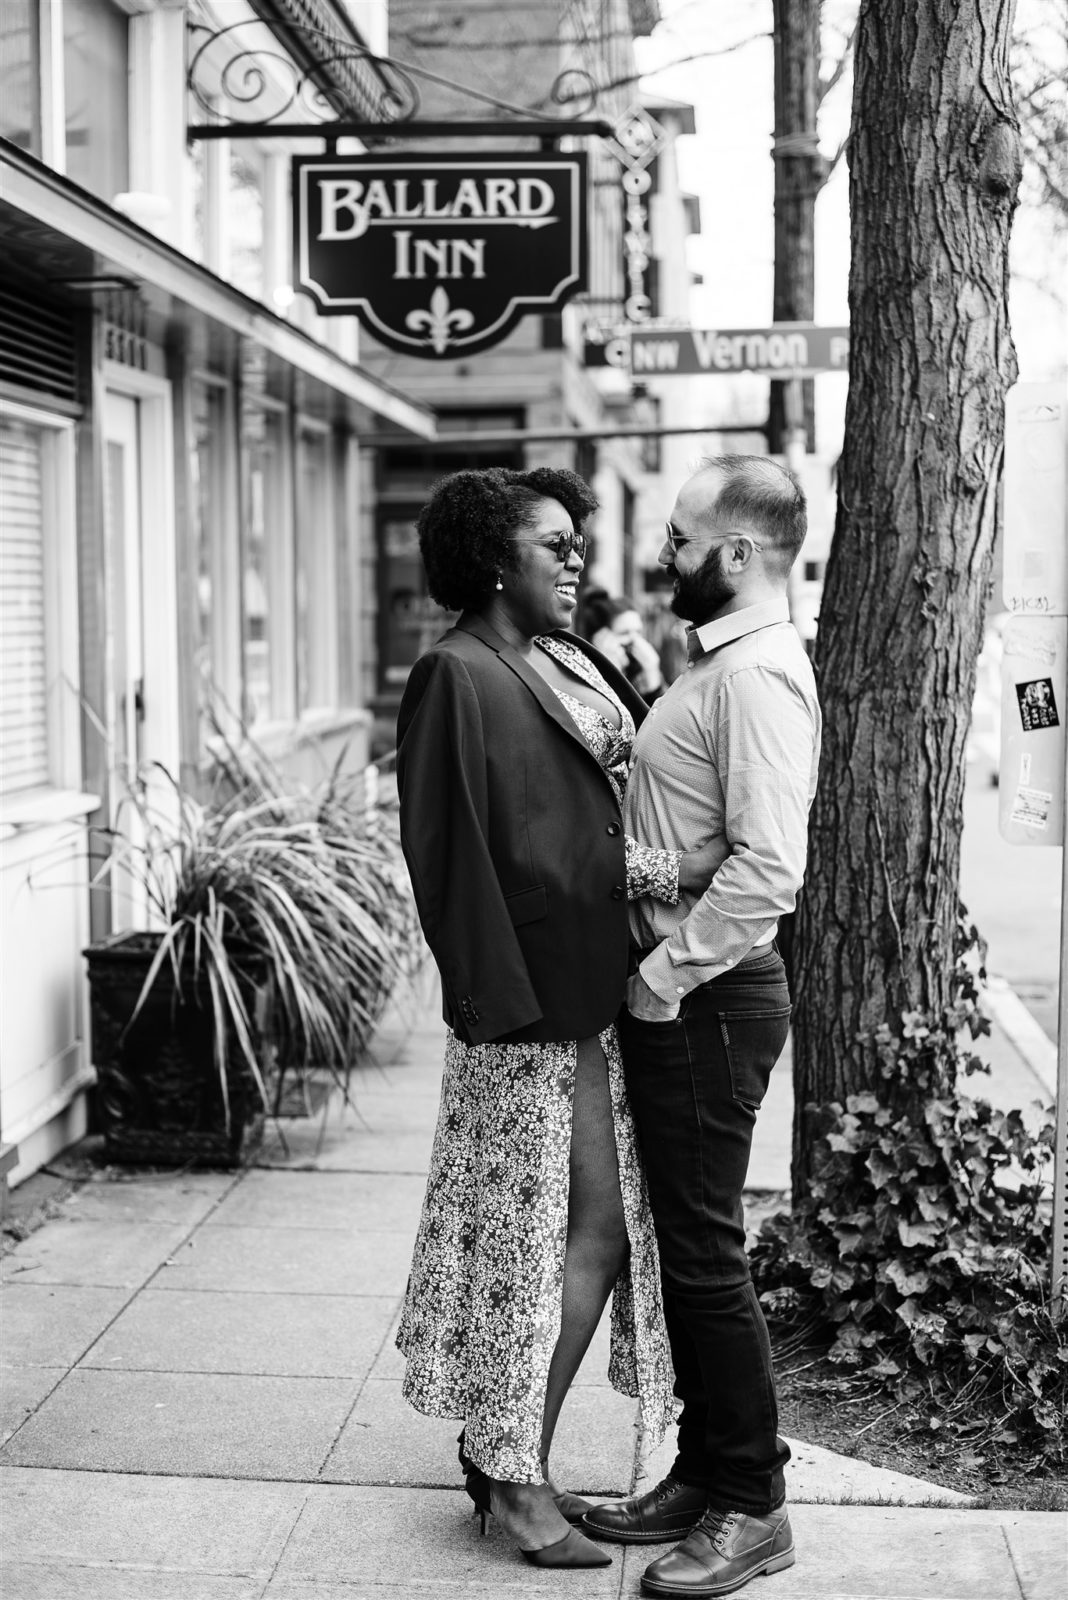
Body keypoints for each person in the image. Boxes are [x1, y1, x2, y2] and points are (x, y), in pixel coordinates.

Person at [394, 466, 719, 1572]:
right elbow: (449, 854)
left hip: (594, 988)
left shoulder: (568, 657)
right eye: (553, 543)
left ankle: (504, 1457)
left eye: (577, 541)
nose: (576, 558)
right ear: (494, 560)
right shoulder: (454, 672)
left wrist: (669, 867)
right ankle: (516, 1478)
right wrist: (496, 1007)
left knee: (567, 1237)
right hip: (529, 1005)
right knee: (567, 1236)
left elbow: (595, 815)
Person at [580, 456, 822, 1598]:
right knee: (683, 1245)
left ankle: (754, 1504)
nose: (662, 554)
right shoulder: (721, 663)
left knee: (705, 1253)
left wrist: (664, 976)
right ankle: (702, 1470)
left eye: (678, 538)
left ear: (736, 551)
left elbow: (770, 866)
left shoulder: (756, 678)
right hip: (695, 995)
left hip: (709, 998)